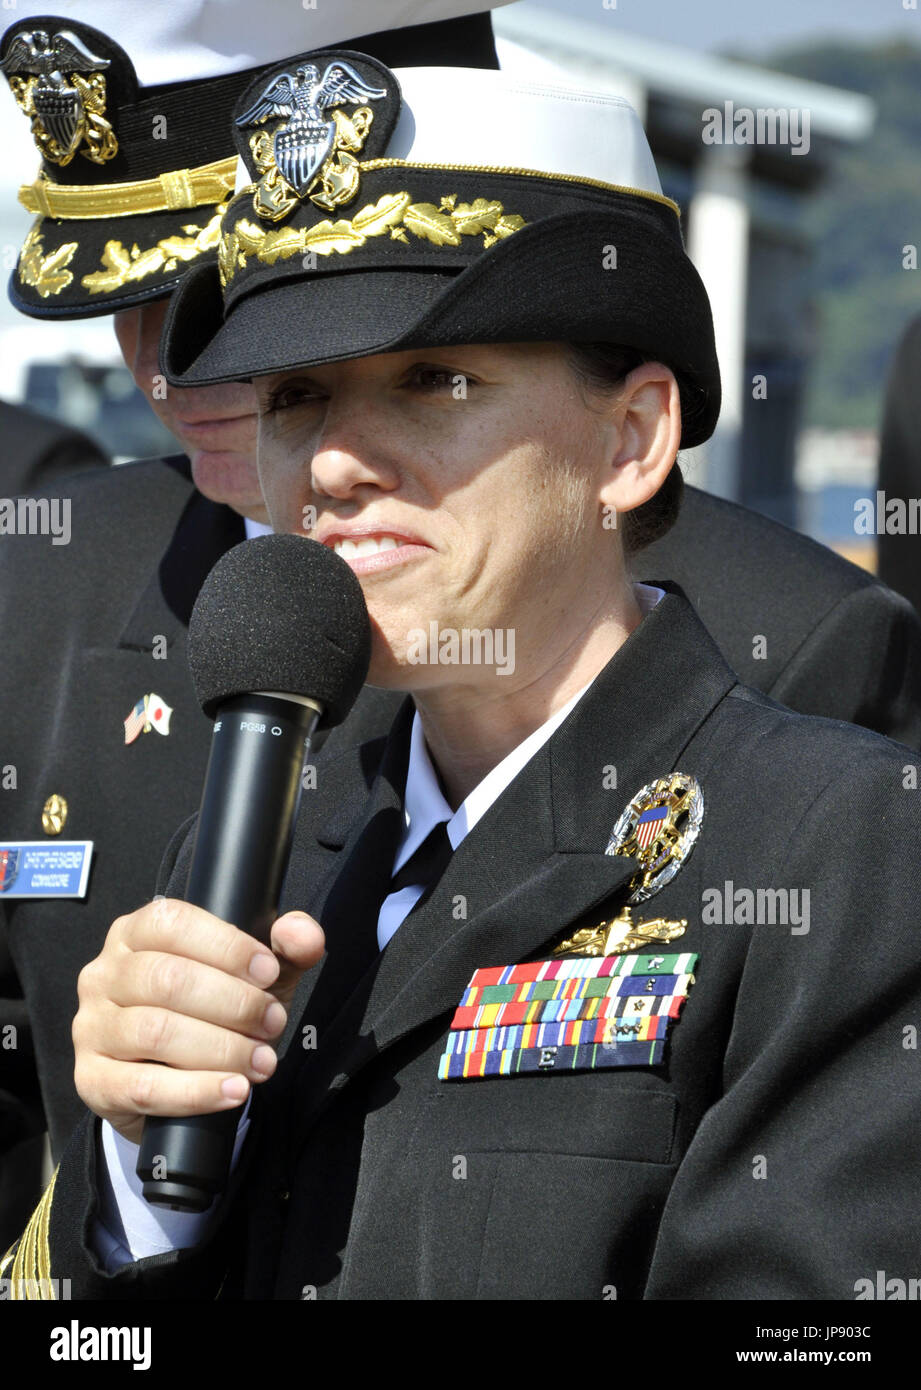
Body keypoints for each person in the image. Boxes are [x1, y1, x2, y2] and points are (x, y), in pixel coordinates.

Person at [6, 47, 920, 1301]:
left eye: (435, 381)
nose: (331, 465)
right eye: (295, 397)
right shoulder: (274, 838)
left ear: (631, 438)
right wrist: (137, 1177)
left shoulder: (839, 846)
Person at [0, 1, 508, 1236]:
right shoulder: (34, 587)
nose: (167, 367)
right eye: (134, 298)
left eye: (236, 287)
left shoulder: (789, 637)